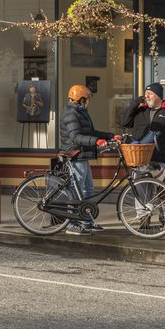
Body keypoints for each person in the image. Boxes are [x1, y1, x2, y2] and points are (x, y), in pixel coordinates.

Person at [58, 83, 112, 234]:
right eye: (86, 99)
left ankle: (86, 221)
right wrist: (96, 141)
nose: (88, 102)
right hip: (75, 155)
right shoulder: (70, 113)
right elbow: (76, 137)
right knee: (76, 192)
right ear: (80, 99)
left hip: (83, 155)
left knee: (88, 190)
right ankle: (72, 224)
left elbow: (91, 131)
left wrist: (110, 136)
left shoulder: (80, 112)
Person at [122, 82, 165, 175]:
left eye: (150, 94)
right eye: (145, 94)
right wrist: (134, 104)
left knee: (162, 188)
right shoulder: (141, 111)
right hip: (141, 159)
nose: (146, 97)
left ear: (159, 96)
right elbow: (125, 123)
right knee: (140, 188)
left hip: (161, 159)